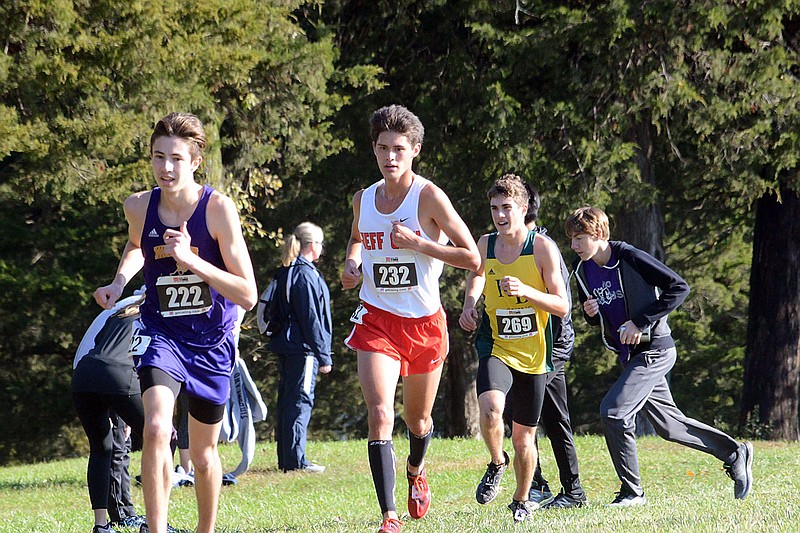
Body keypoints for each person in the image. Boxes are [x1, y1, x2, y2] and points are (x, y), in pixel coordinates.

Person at [94, 112, 258, 533]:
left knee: (203, 457)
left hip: (211, 342)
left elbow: (248, 294)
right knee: (154, 428)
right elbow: (137, 245)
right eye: (158, 157)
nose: (166, 168)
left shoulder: (218, 210)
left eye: (176, 159)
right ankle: (157, 529)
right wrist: (117, 283)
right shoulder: (138, 206)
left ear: (195, 161)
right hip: (159, 332)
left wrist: (192, 261)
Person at [341, 104, 480, 533]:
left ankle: (416, 470)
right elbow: (356, 239)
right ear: (374, 149)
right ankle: (389, 516)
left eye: (399, 149)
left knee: (417, 421)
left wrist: (422, 245)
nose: (390, 157)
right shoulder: (363, 198)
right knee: (380, 412)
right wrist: (351, 263)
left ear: (415, 149)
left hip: (424, 323)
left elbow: (472, 256)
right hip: (377, 319)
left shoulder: (429, 196)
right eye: (382, 148)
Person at [564, 205, 754, 506]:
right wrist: (591, 314)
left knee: (613, 411)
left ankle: (632, 492)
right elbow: (602, 314)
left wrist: (641, 322)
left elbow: (678, 287)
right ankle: (734, 452)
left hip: (655, 350)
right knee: (669, 425)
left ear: (599, 233)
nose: (574, 245)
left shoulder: (629, 256)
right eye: (572, 239)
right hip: (631, 355)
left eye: (579, 238)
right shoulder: (582, 268)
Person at [467, 180, 588, 510]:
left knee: (524, 438)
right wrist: (469, 304)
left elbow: (563, 305)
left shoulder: (542, 247)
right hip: (497, 347)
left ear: (523, 209)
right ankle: (496, 462)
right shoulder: (485, 243)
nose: (500, 215)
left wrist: (526, 291)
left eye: (506, 208)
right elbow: (477, 274)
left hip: (536, 355)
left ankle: (522, 499)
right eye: (494, 208)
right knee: (491, 409)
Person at [73, 293, 147, 533]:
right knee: (164, 438)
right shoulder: (154, 317)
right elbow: (145, 362)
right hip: (119, 376)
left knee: (101, 449)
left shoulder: (118, 314)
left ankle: (101, 525)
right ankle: (155, 522)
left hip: (84, 374)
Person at [268, 222, 333, 473]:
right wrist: (323, 354)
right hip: (303, 349)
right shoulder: (306, 274)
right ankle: (296, 461)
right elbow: (311, 318)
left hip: (286, 344)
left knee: (286, 401)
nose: (321, 248)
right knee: (299, 401)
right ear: (311, 245)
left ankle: (287, 459)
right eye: (320, 243)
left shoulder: (286, 270)